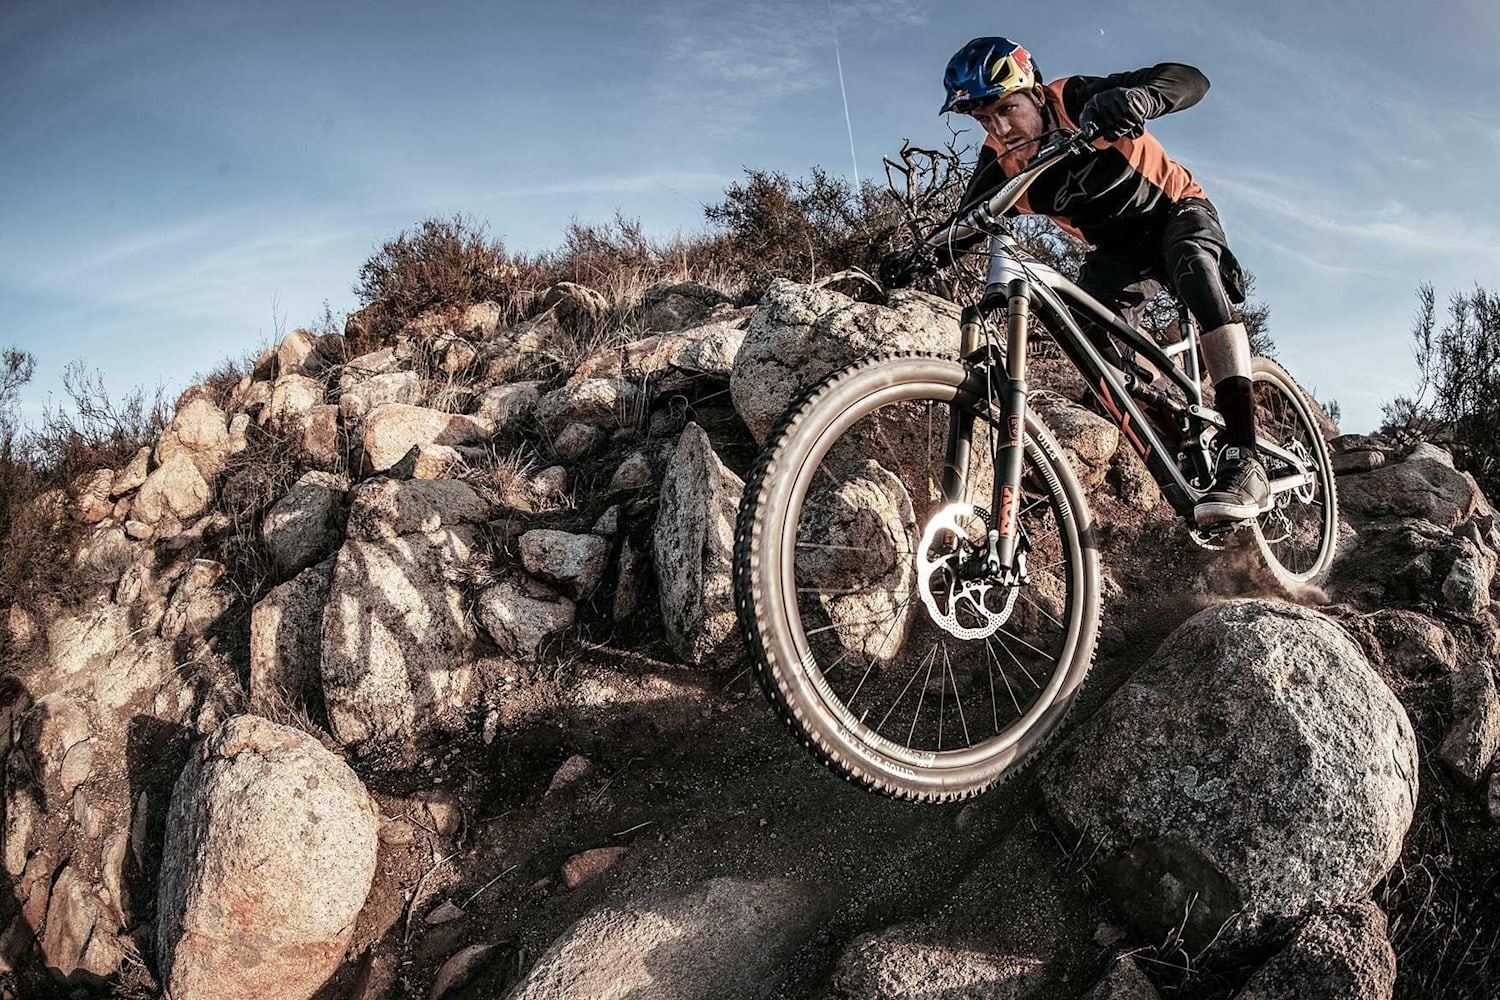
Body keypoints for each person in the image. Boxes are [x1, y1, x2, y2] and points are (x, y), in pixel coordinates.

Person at [879, 36, 1267, 527]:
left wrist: (1141, 98)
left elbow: (1193, 80)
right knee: (1094, 354)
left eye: (1008, 108)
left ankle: (1245, 457)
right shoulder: (1000, 162)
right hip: (1118, 254)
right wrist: (919, 256)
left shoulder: (1078, 99)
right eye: (985, 118)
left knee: (1193, 263)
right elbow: (964, 223)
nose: (1001, 127)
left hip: (1174, 212)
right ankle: (1184, 454)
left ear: (1036, 93)